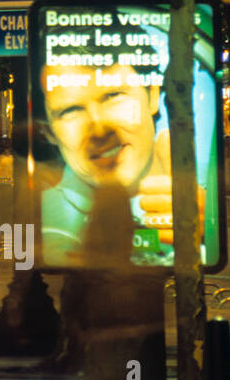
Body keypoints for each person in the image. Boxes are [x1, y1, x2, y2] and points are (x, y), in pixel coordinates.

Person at [38, 60, 202, 266]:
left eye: (113, 96)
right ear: (49, 133)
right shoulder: (44, 222)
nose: (99, 130)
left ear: (152, 95)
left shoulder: (202, 198)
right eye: (71, 111)